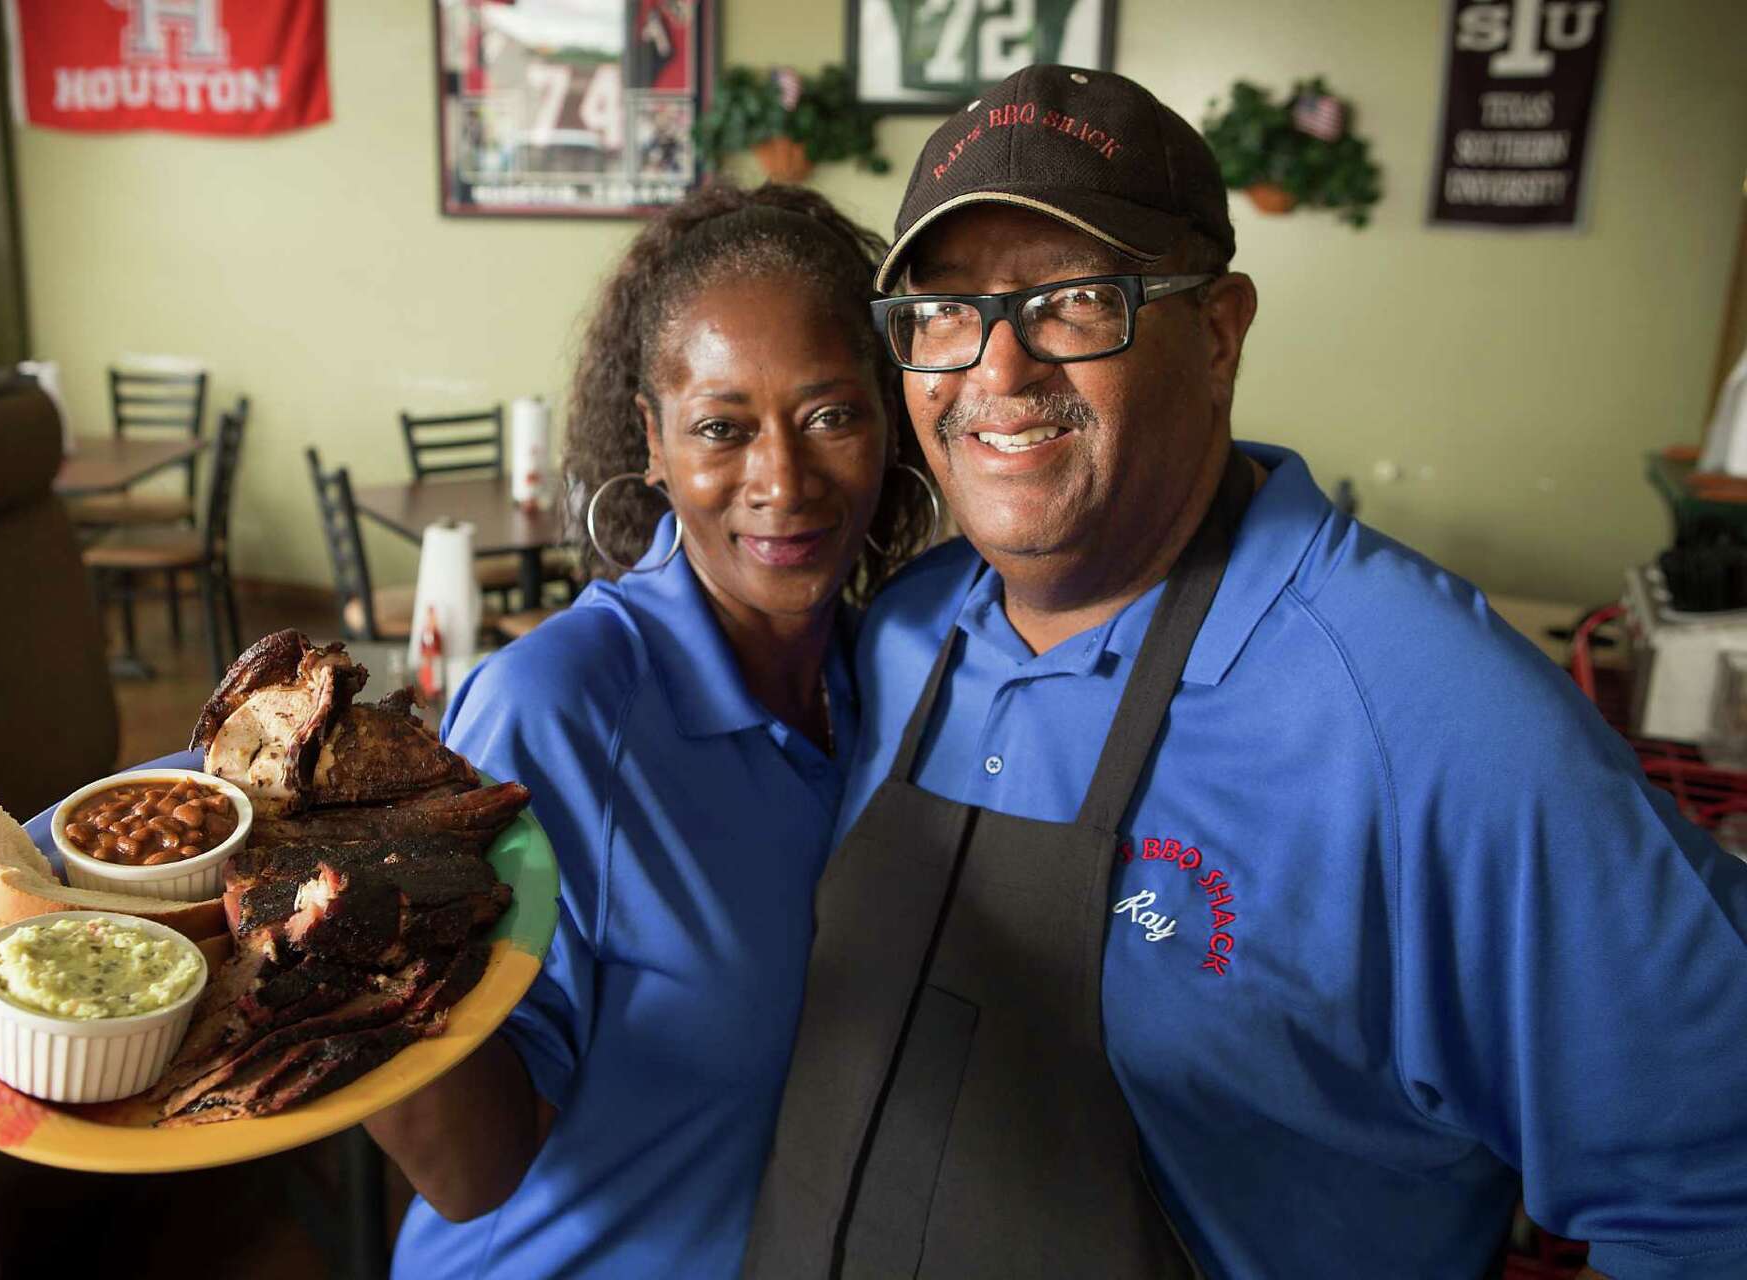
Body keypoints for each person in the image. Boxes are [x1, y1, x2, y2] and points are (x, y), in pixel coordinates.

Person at [745, 66, 1747, 1280]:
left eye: (1072, 301)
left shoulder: (1436, 719)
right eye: (945, 313)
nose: (995, 375)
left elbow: (1713, 1195)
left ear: (1217, 332)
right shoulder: (903, 634)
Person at [368, 184, 937, 1280]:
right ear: (654, 441)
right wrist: (344, 944)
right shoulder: (558, 707)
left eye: (830, 415)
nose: (782, 479)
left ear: (891, 414)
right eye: (723, 427)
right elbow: (469, 1169)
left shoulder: (884, 683)